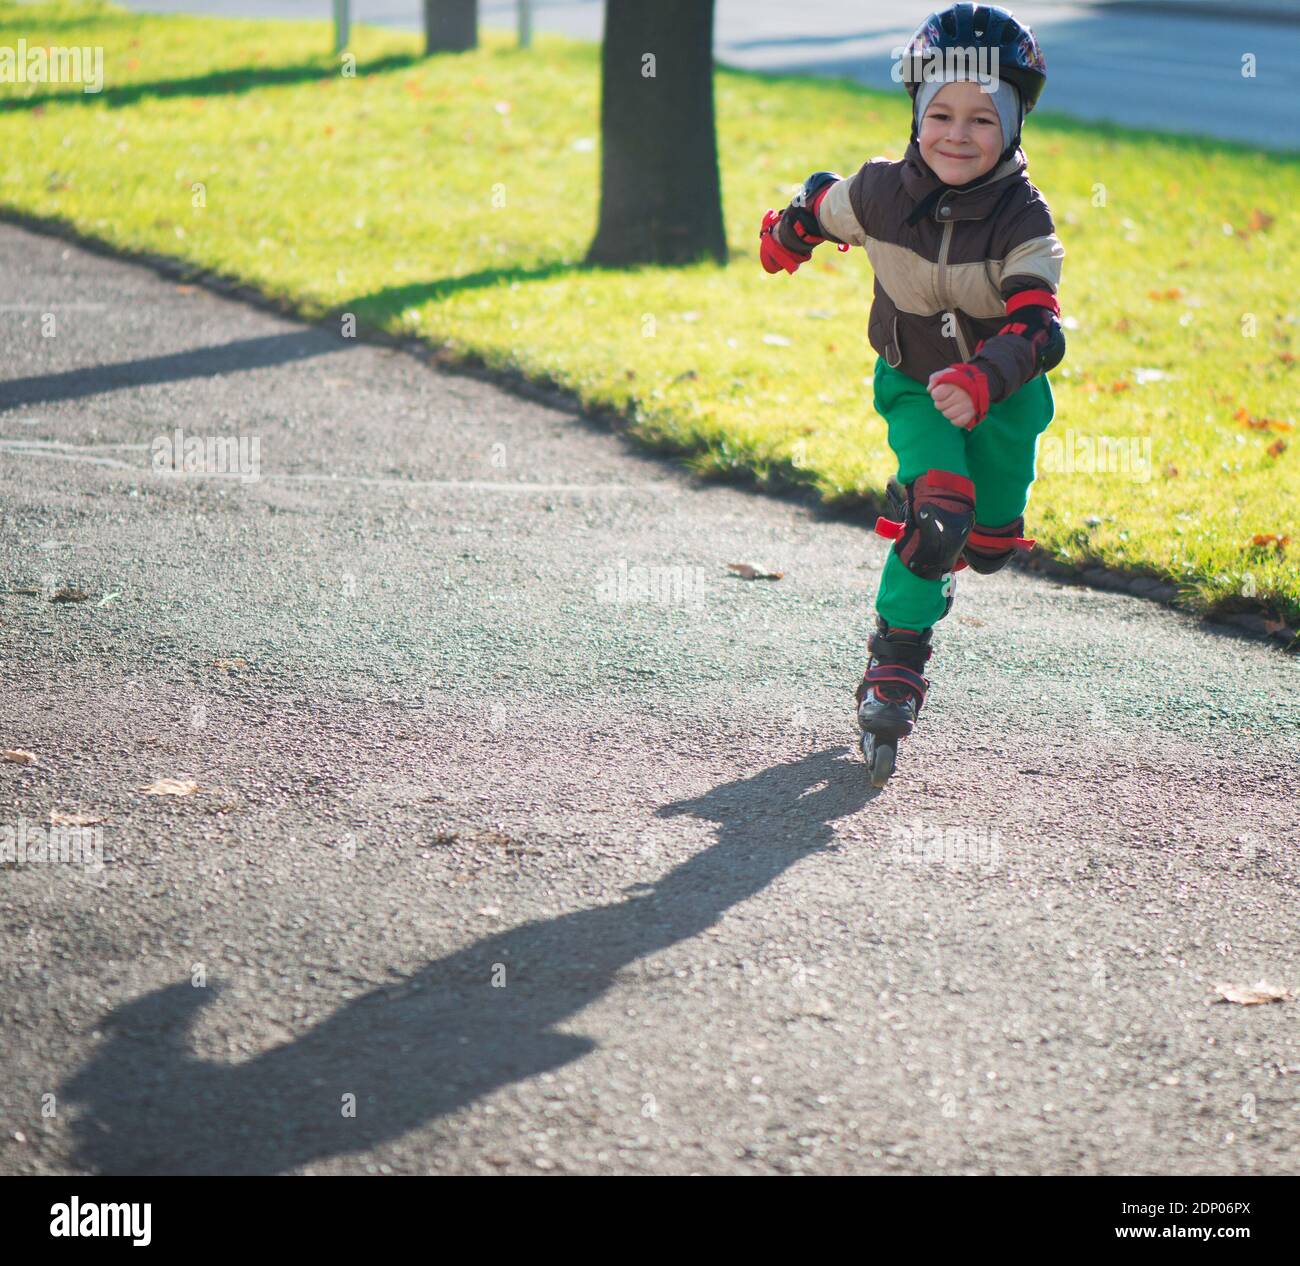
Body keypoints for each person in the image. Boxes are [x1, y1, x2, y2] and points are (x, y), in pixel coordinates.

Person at [759, 3, 1066, 786]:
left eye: (982, 118)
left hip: (1004, 397)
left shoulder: (1025, 220)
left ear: (1015, 125)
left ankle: (966, 521)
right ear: (915, 114)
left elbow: (1040, 331)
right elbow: (820, 206)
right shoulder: (878, 193)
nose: (957, 134)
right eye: (940, 114)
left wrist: (984, 377)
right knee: (941, 517)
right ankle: (896, 664)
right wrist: (791, 233)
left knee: (987, 546)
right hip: (912, 383)